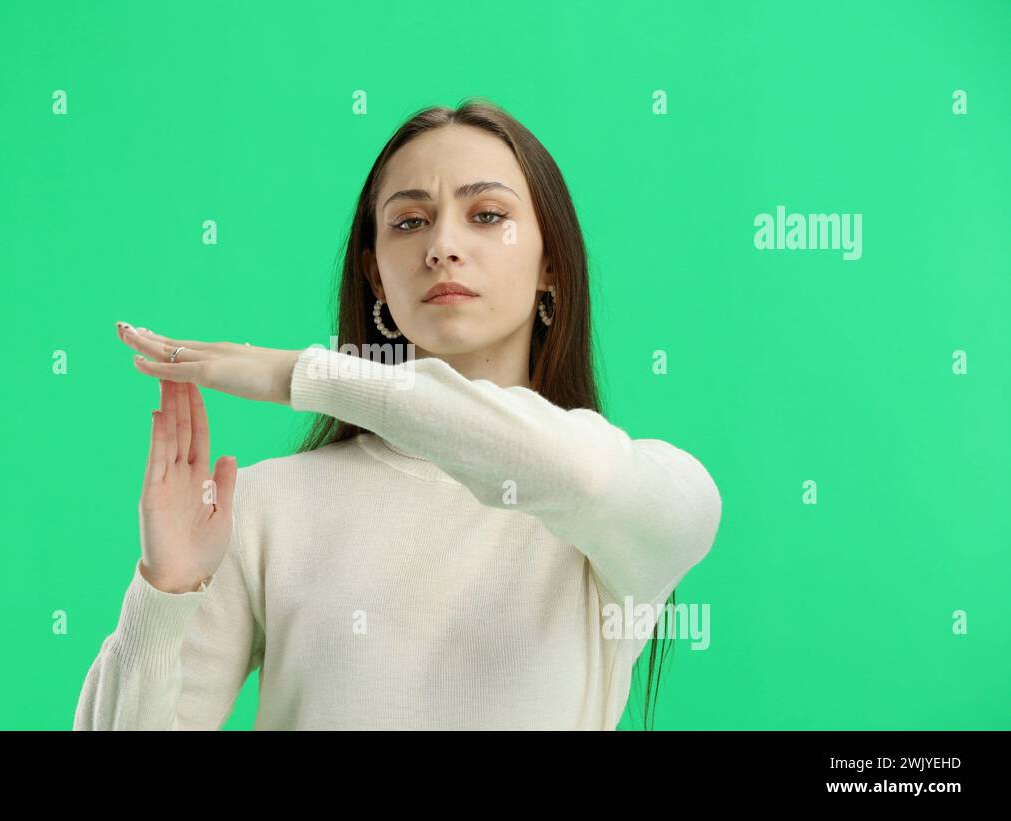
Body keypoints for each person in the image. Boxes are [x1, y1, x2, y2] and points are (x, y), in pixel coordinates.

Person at [73, 99, 722, 731]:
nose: (442, 245)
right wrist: (166, 589)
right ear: (376, 276)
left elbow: (581, 473)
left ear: (550, 261)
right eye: (409, 221)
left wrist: (301, 374)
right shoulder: (266, 505)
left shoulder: (639, 500)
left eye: (488, 214)